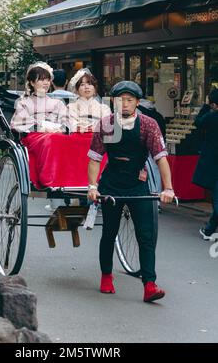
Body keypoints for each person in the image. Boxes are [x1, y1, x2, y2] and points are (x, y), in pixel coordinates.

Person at [87, 81, 175, 303]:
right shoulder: (106, 124)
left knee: (146, 235)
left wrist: (168, 188)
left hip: (138, 183)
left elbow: (161, 158)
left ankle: (149, 284)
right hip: (112, 183)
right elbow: (95, 158)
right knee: (109, 232)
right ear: (113, 102)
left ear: (137, 102)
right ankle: (106, 275)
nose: (124, 104)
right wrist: (93, 186)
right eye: (120, 100)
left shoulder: (148, 124)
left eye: (129, 100)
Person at [10, 62, 67, 134]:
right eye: (42, 80)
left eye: (48, 80)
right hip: (35, 136)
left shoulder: (58, 103)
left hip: (56, 134)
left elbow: (66, 120)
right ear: (32, 83)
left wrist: (60, 129)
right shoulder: (23, 103)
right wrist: (42, 129)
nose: (46, 83)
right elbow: (19, 124)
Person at [192, 88, 218, 240]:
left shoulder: (211, 117)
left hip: (213, 165)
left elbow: (197, 123)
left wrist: (205, 107)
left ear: (213, 104)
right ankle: (209, 230)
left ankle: (209, 230)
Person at [68, 68, 111, 133]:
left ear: (94, 88)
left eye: (90, 84)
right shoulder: (71, 107)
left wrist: (84, 127)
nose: (86, 87)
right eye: (82, 84)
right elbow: (73, 127)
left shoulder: (104, 108)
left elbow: (106, 127)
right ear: (77, 90)